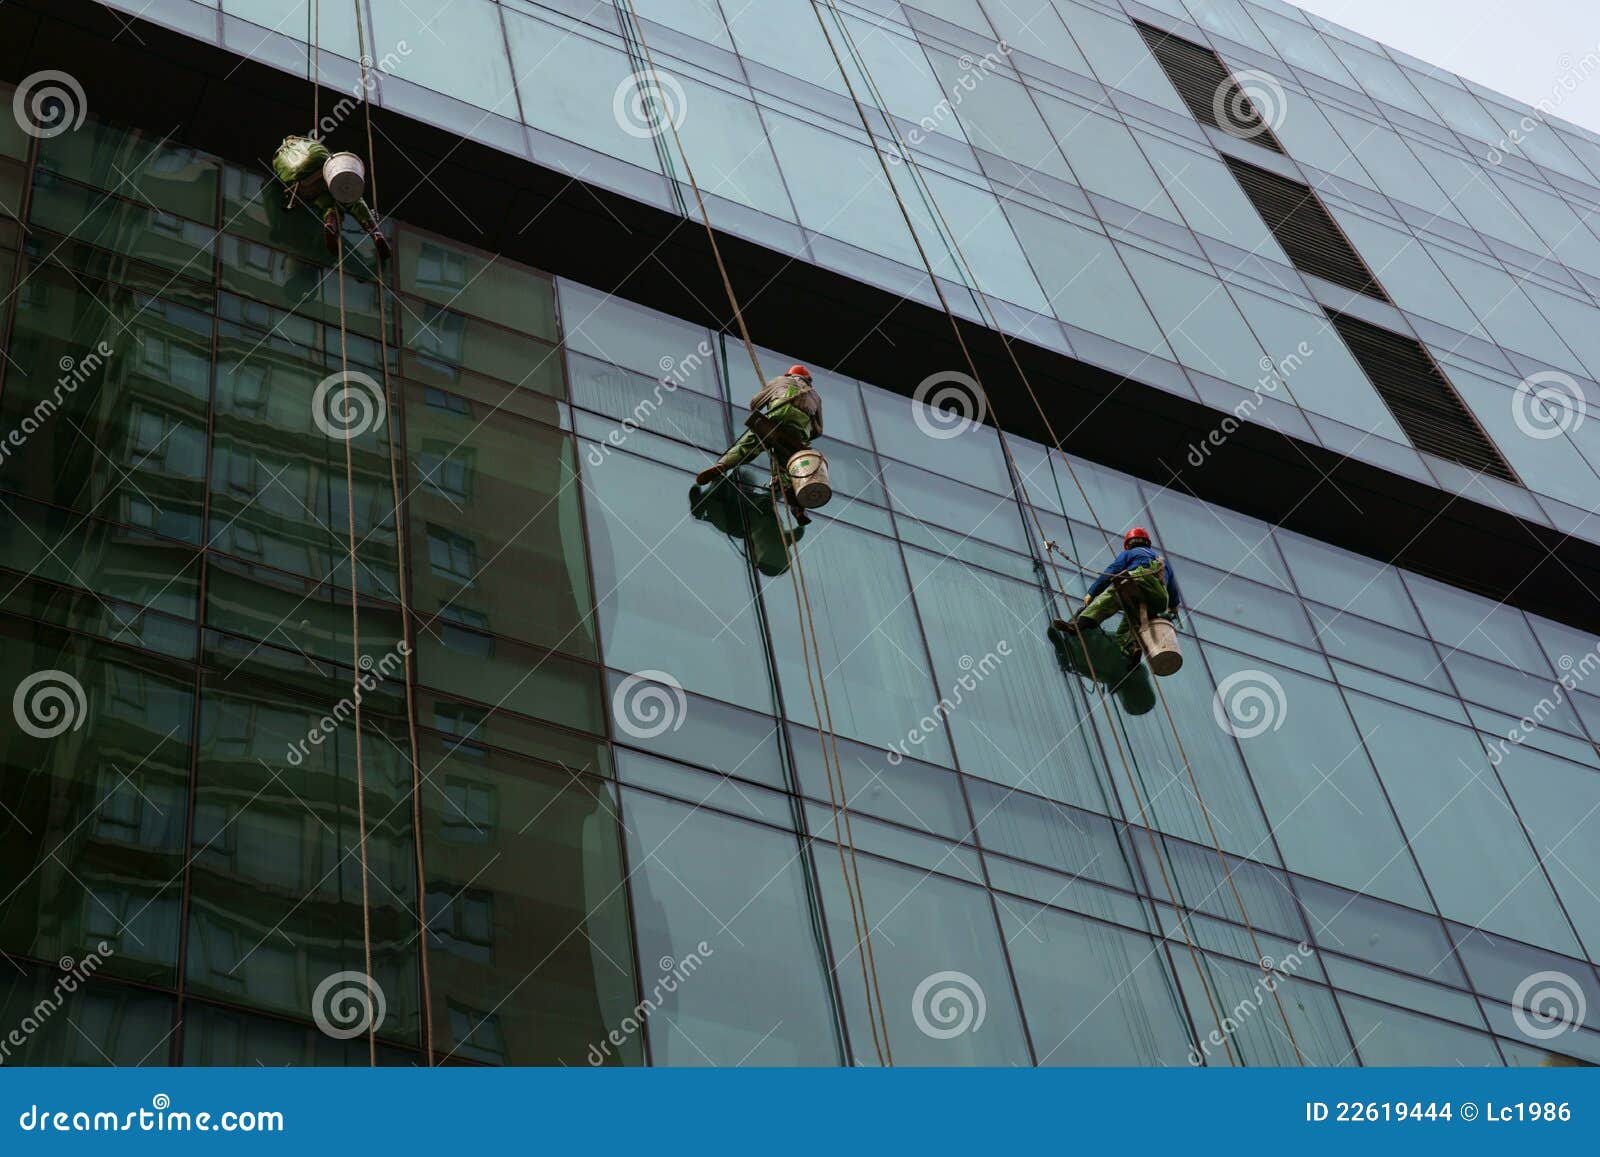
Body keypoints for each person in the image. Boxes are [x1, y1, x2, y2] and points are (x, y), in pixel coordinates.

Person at [696, 364, 822, 525]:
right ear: (808, 380)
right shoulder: (815, 396)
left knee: (750, 443)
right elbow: (818, 430)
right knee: (789, 467)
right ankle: (797, 508)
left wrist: (771, 401)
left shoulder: (780, 381)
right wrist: (802, 434)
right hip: (798, 431)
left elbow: (754, 404)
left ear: (790, 375)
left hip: (777, 416)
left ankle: (723, 465)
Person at [1055, 527, 1182, 666]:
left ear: (1128, 544)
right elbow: (1173, 591)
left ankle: (1079, 625)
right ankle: (1132, 650)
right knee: (1128, 626)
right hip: (1158, 599)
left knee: (1110, 596)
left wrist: (1092, 592)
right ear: (1147, 543)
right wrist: (1173, 608)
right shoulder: (1162, 562)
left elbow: (1112, 571)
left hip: (1138, 582)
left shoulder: (1130, 553)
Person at [271, 134, 390, 261]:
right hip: (321, 166)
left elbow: (281, 180)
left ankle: (330, 223)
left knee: (325, 203)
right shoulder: (308, 143)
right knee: (353, 199)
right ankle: (375, 232)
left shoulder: (278, 158)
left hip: (303, 183)